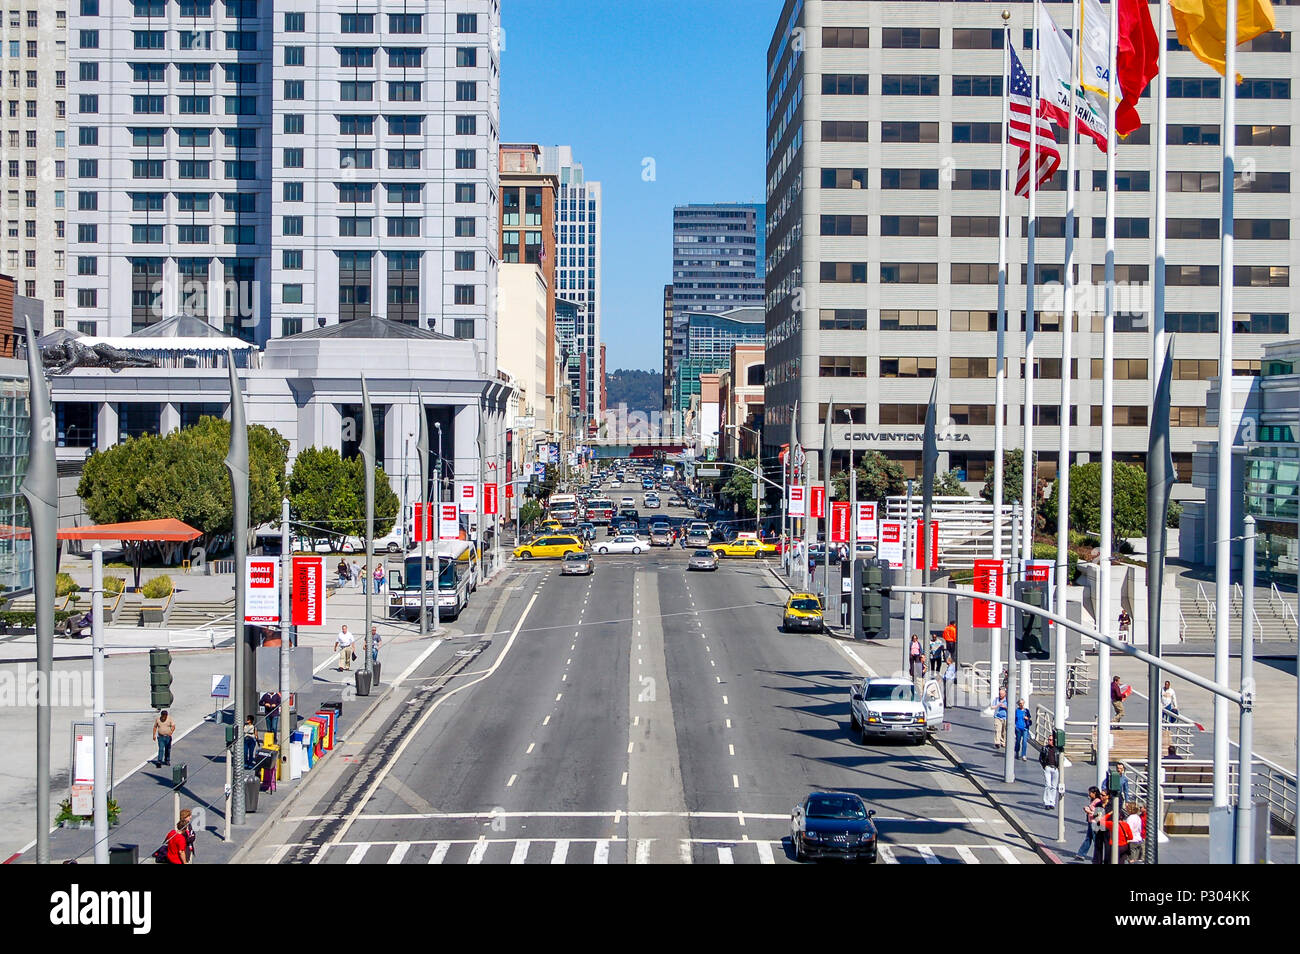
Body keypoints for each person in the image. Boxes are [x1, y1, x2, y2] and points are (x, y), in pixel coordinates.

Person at [1076, 786, 1104, 861]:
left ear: (1094, 793)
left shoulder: (1097, 801)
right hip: (1090, 822)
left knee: (1096, 840)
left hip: (1095, 823)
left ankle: (1098, 856)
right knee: (1088, 838)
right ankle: (1081, 854)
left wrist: (1089, 811)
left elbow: (1098, 813)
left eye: (1090, 793)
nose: (1089, 794)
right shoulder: (1093, 800)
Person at [1039, 733, 1061, 808]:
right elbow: (1041, 758)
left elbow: (1060, 759)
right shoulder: (1045, 748)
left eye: (1051, 740)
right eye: (1049, 740)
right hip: (1048, 767)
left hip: (1055, 768)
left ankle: (1052, 802)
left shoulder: (1057, 749)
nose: (1050, 741)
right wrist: (1044, 766)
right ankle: (1046, 802)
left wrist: (1058, 767)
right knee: (1048, 785)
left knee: (1054, 786)